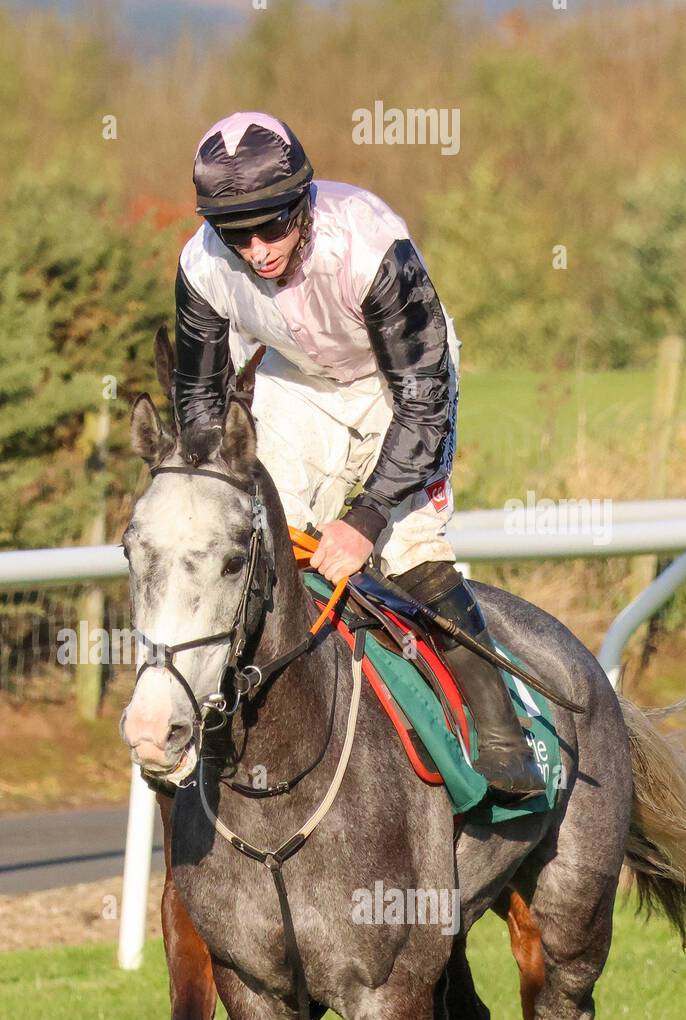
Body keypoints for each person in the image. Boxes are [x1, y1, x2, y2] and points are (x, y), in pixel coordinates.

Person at [174, 110, 544, 796]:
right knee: (259, 544)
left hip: (398, 383)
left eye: (271, 226)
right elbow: (197, 399)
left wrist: (367, 517)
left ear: (303, 201)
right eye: (235, 233)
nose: (255, 251)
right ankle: (219, 722)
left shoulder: (370, 244)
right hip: (296, 386)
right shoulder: (200, 265)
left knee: (406, 550)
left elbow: (425, 405)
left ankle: (501, 737)